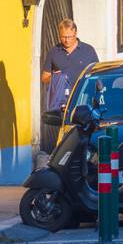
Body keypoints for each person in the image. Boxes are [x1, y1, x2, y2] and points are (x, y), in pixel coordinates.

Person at [40, 19, 100, 153]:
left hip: (84, 101)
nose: (66, 40)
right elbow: (44, 77)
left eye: (69, 37)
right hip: (63, 103)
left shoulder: (88, 50)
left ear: (76, 33)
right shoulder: (54, 52)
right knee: (65, 138)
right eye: (63, 37)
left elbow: (97, 74)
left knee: (84, 135)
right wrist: (55, 76)